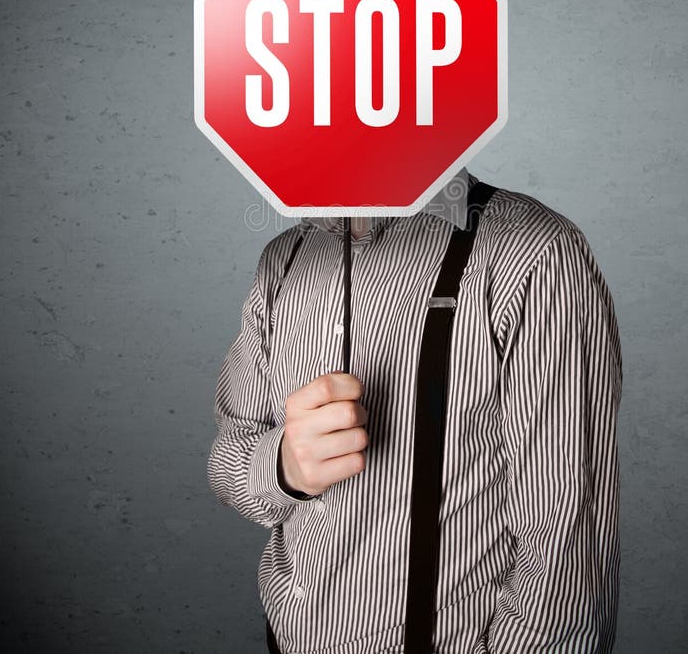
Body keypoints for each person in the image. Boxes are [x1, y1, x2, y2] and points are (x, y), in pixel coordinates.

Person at [207, 168, 623, 653]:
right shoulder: (284, 260)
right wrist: (283, 468)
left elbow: (564, 539)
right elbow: (228, 464)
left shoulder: (532, 252)